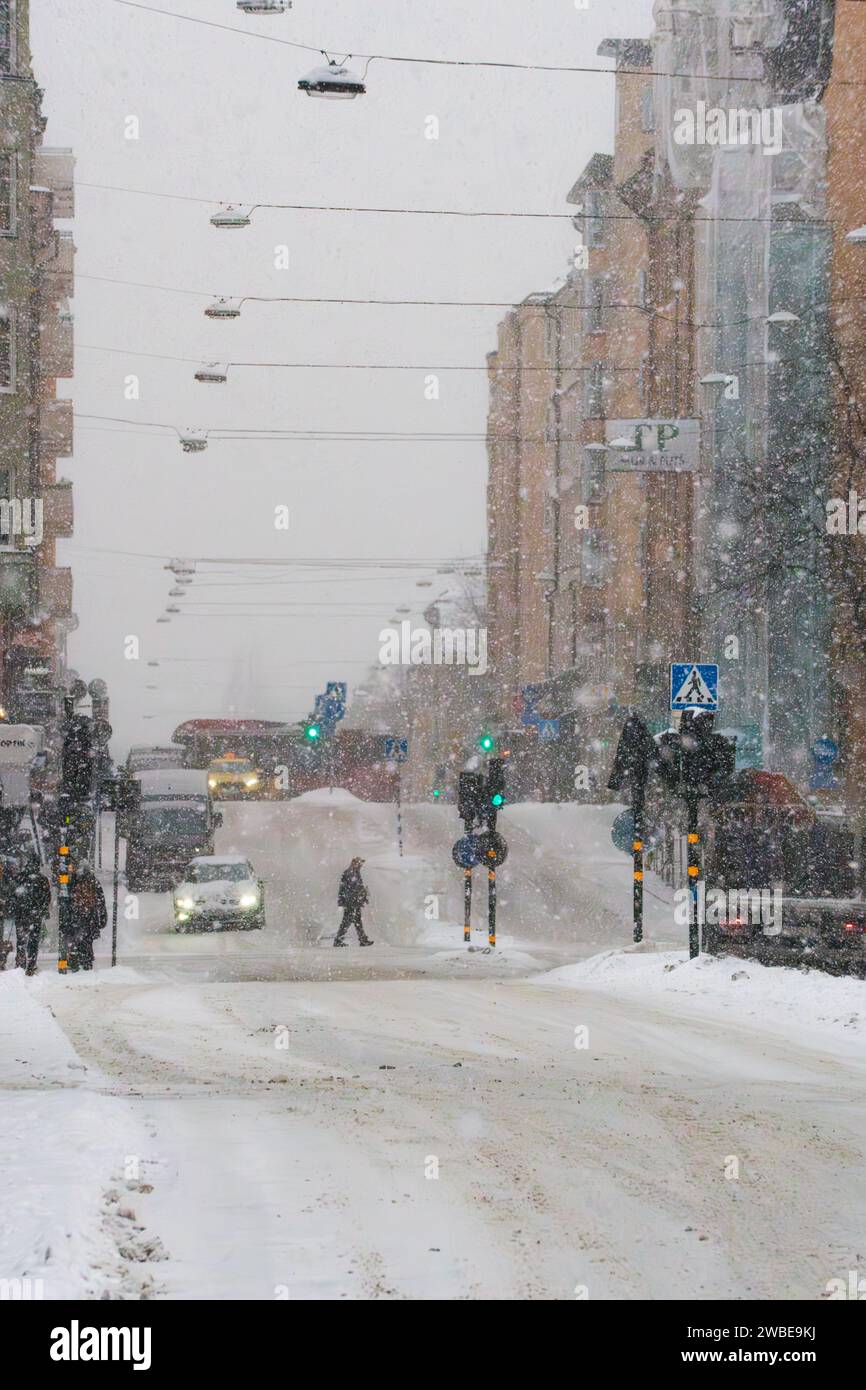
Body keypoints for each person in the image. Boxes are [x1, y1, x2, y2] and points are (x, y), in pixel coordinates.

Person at [12, 854, 52, 976]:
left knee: (21, 940)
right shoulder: (42, 879)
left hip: (21, 914)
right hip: (35, 915)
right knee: (33, 941)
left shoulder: (21, 877)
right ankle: (31, 965)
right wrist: (43, 910)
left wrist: (15, 908)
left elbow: (14, 894)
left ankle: (20, 963)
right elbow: (47, 898)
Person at [67, 861, 107, 972]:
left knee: (77, 939)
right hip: (90, 916)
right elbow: (101, 901)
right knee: (87, 940)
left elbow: (67, 898)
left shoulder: (73, 881)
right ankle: (86, 961)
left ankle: (77, 960)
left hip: (76, 916)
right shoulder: (93, 881)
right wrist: (103, 917)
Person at [334, 857, 373, 946]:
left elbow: (357, 887)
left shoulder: (355, 872)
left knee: (357, 921)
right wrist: (358, 896)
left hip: (354, 901)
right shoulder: (350, 873)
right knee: (347, 921)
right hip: (351, 901)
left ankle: (362, 940)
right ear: (355, 863)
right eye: (360, 863)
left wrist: (363, 895)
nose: (361, 865)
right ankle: (338, 940)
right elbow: (349, 888)